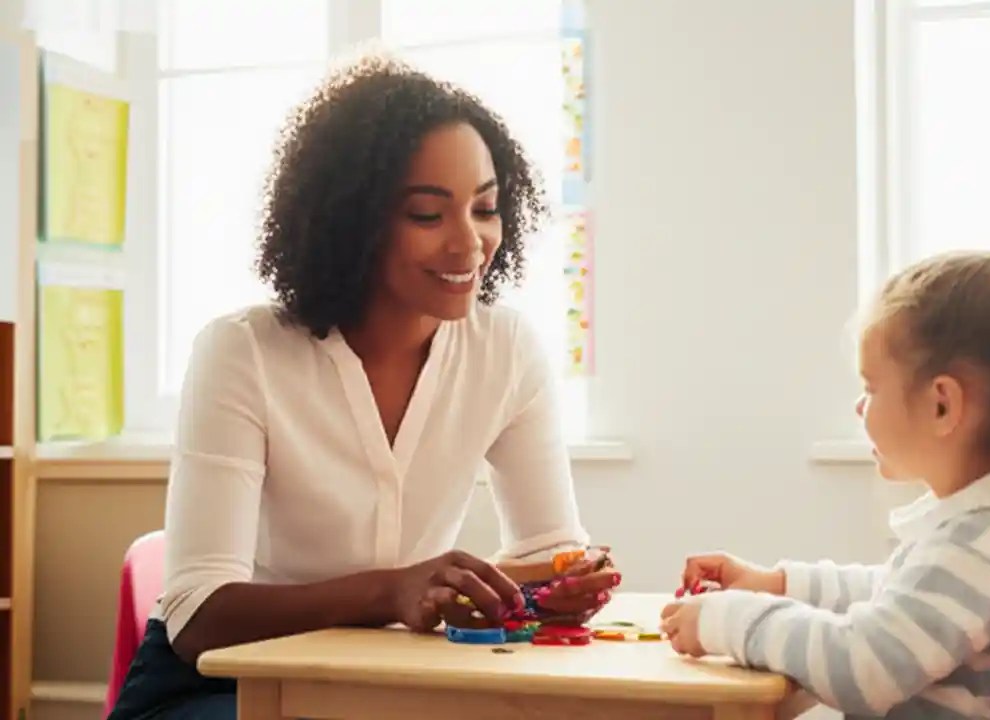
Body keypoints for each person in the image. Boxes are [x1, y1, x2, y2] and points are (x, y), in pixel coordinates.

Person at [108, 51, 619, 720]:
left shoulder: (507, 351)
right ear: (351, 220)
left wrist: (560, 582)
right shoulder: (243, 353)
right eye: (428, 216)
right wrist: (390, 592)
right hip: (218, 684)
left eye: (486, 208)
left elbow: (547, 553)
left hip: (391, 679)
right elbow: (200, 617)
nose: (471, 246)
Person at [660, 243, 990, 718]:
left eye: (870, 387)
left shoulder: (979, 547)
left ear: (942, 405)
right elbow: (900, 596)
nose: (859, 406)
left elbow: (861, 668)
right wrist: (778, 583)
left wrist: (727, 620)